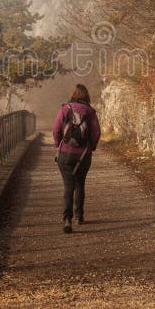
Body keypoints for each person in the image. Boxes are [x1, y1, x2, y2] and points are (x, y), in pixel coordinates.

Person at [52, 83, 101, 233]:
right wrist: (91, 147)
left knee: (68, 186)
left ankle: (67, 219)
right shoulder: (90, 112)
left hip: (65, 154)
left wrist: (58, 144)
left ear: (73, 94)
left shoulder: (65, 108)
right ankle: (79, 216)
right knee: (80, 184)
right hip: (83, 155)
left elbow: (55, 129)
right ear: (87, 96)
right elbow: (96, 133)